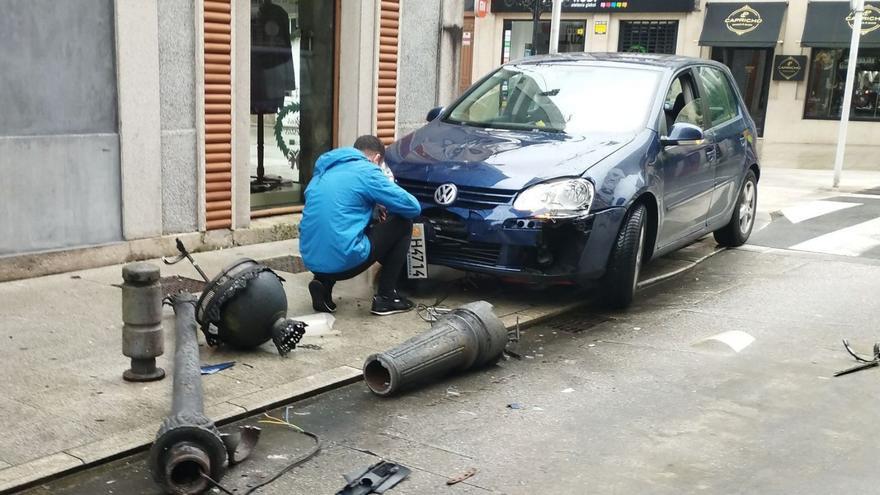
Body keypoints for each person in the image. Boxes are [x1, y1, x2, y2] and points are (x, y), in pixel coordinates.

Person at [299, 135, 421, 315]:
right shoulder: (367, 171)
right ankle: (386, 297)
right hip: (345, 262)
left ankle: (323, 284)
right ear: (377, 159)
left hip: (311, 259)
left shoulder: (324, 171)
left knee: (339, 224)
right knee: (403, 222)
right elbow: (412, 207)